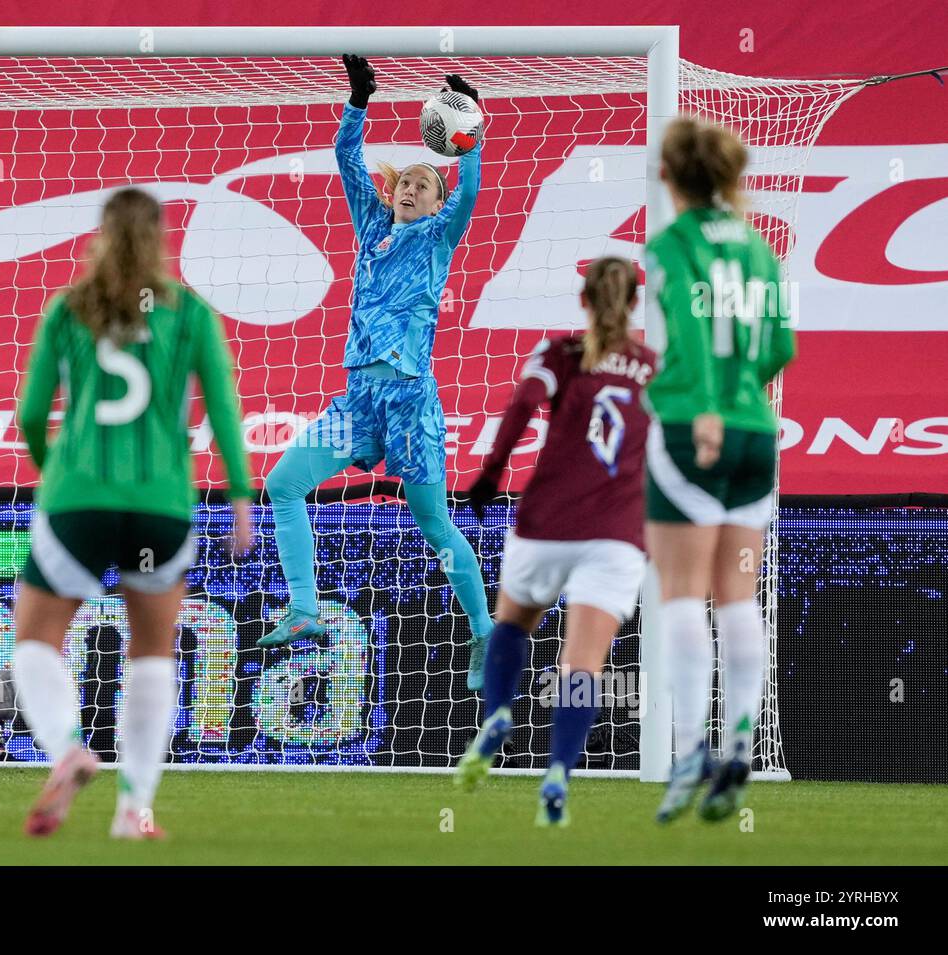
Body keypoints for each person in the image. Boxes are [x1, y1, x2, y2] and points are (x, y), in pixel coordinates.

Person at [13, 187, 254, 840]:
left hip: (78, 501)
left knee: (35, 639)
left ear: (101, 234)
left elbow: (32, 413)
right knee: (151, 653)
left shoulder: (68, 309)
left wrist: (53, 467)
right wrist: (240, 497)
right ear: (160, 238)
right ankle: (134, 811)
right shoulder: (190, 313)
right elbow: (224, 412)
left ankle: (67, 747)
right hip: (160, 509)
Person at [261, 54, 493, 691]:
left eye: (426, 184)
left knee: (432, 523)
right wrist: (358, 100)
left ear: (437, 203)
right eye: (407, 182)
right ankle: (305, 610)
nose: (413, 188)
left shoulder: (438, 239)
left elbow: (468, 189)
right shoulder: (371, 227)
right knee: (282, 484)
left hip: (409, 400)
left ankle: (482, 630)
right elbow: (346, 158)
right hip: (357, 402)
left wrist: (469, 131)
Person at [457, 258, 656, 826]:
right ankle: (558, 774)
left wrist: (492, 472)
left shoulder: (559, 354)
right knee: (581, 667)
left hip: (546, 523)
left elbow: (521, 404)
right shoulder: (656, 370)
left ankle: (497, 714)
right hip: (616, 535)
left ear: (584, 301)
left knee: (513, 624)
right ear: (633, 305)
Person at [646, 116, 797, 823]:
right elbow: (782, 344)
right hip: (756, 433)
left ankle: (688, 751)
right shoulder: (759, 247)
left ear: (670, 176)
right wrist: (740, 391)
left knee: (680, 592)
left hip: (690, 430)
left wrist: (705, 403)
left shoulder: (673, 245)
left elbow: (687, 328)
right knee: (737, 594)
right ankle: (740, 745)